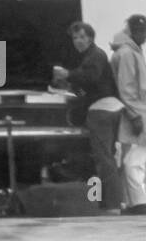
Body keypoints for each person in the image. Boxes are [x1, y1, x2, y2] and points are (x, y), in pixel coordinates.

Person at [53, 22, 123, 213]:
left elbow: (90, 77)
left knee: (103, 159)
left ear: (91, 38)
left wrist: (68, 74)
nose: (79, 41)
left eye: (82, 37)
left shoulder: (95, 55)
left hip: (101, 110)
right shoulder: (92, 56)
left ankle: (112, 206)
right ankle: (116, 202)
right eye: (75, 38)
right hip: (111, 108)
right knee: (109, 157)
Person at [111, 14, 146, 215]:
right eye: (140, 31)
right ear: (130, 32)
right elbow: (127, 88)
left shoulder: (131, 52)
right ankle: (139, 203)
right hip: (135, 116)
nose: (144, 35)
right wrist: (134, 115)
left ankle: (131, 203)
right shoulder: (127, 54)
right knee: (135, 160)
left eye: (145, 31)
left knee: (130, 158)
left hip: (136, 114)